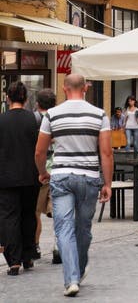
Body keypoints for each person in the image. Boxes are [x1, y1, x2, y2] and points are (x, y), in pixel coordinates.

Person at [35, 73, 112, 297]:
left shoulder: (52, 114)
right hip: (89, 177)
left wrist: (42, 172)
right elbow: (106, 152)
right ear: (86, 88)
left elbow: (40, 151)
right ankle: (78, 269)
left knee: (64, 229)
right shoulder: (100, 114)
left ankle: (72, 279)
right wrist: (107, 183)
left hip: (61, 177)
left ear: (64, 88)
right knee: (83, 227)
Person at [0, 81, 39, 277]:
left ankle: (13, 261)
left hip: (6, 177)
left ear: (8, 98)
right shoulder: (34, 120)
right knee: (28, 215)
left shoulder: (1, 120)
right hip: (30, 175)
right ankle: (28, 256)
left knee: (9, 218)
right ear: (25, 98)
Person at [34, 88, 58, 263]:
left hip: (41, 170)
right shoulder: (59, 117)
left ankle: (35, 245)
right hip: (59, 169)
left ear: (37, 103)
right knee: (60, 210)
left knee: (35, 211)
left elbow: (37, 149)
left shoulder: (33, 118)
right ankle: (59, 246)